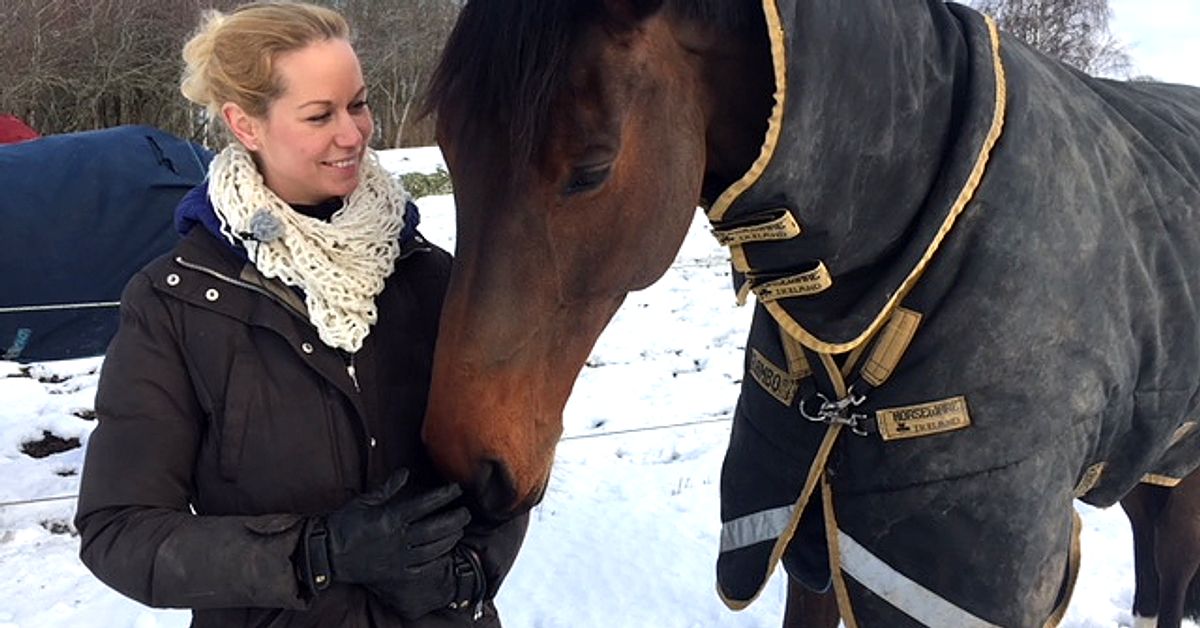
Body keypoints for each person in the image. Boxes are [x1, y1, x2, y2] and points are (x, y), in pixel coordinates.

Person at [74, 2, 528, 626]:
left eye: (359, 104)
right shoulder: (175, 303)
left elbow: (506, 457)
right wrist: (316, 555)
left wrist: (470, 576)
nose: (354, 134)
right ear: (245, 124)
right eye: (319, 115)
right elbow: (118, 530)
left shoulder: (428, 274)